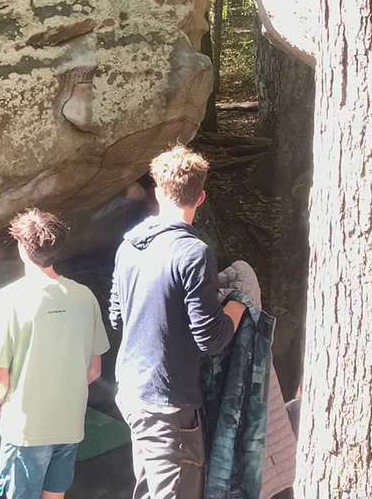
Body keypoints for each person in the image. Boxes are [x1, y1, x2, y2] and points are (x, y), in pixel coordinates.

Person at [109, 145, 245, 499]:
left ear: (157, 192)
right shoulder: (193, 253)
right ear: (201, 198)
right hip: (167, 399)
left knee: (148, 486)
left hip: (132, 389)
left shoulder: (130, 246)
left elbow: (116, 315)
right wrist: (238, 308)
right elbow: (210, 339)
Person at [0, 208, 110, 499]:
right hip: (70, 424)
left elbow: (0, 379)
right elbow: (94, 370)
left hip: (26, 428)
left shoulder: (8, 300)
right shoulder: (85, 297)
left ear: (22, 248)